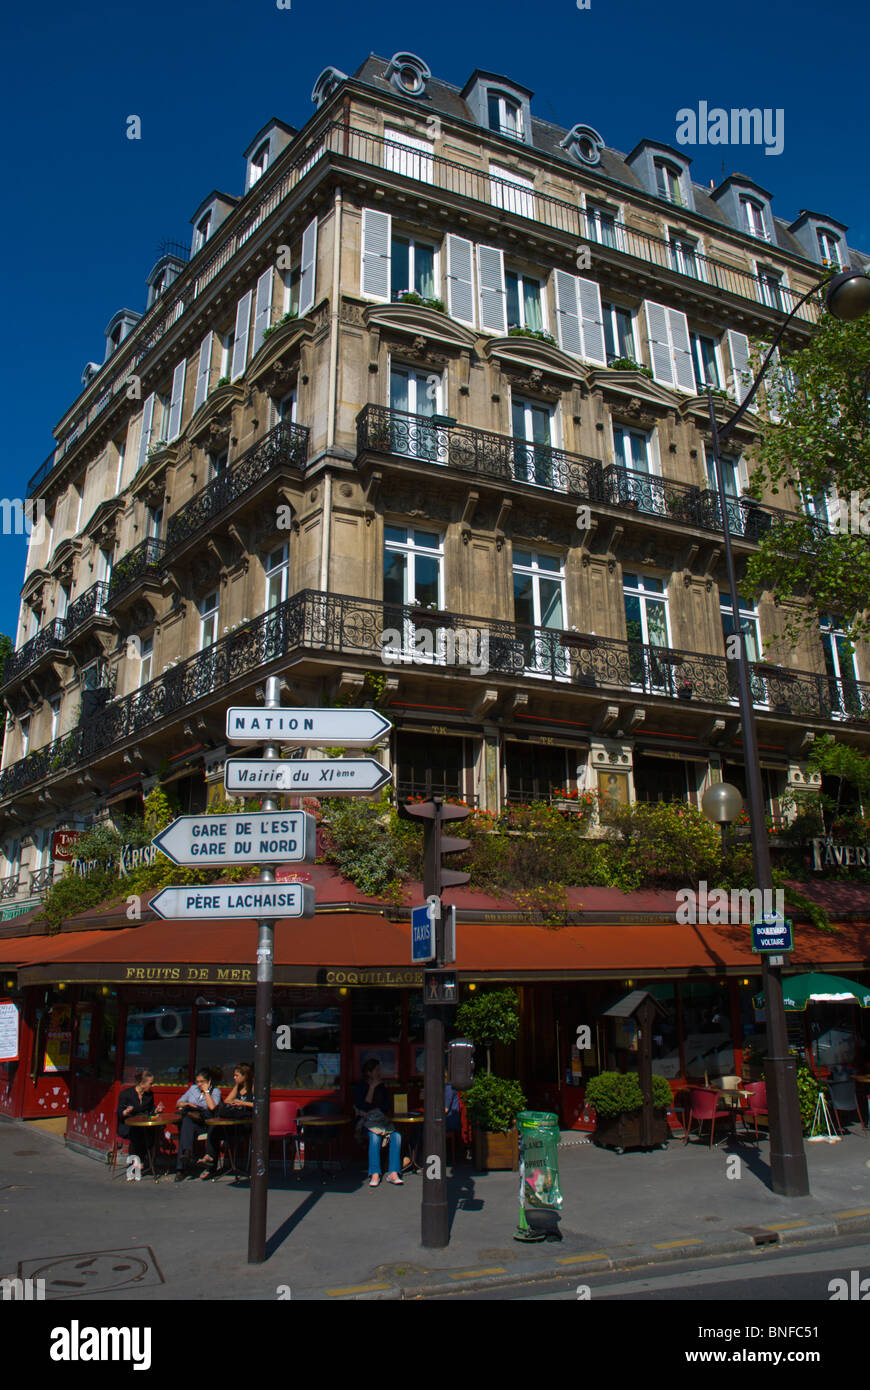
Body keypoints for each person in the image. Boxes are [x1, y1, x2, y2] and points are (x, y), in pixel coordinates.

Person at [353, 1058, 404, 1187]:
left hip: (381, 1121)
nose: (379, 1073)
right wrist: (372, 1088)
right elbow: (362, 1106)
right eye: (377, 1070)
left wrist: (379, 1110)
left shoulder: (382, 1087)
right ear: (369, 1072)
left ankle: (393, 1172)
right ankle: (375, 1173)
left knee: (396, 1136)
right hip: (367, 1122)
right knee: (374, 1138)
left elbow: (386, 1106)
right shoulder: (360, 1087)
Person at [198, 1064, 253, 1174]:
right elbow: (227, 1100)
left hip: (245, 1123)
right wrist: (234, 1102)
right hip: (233, 1121)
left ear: (245, 1076)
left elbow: (260, 1105)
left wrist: (242, 1103)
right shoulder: (237, 1087)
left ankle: (211, 1165)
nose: (234, 1078)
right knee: (214, 1129)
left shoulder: (253, 1087)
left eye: (237, 1075)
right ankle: (209, 1157)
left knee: (217, 1124)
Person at [174, 1068, 221, 1181]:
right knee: (186, 1122)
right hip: (193, 1120)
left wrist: (206, 1092)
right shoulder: (193, 1089)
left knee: (188, 1126)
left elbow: (212, 1107)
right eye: (198, 1082)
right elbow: (178, 1103)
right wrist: (189, 1103)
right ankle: (185, 1159)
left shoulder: (215, 1091)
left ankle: (189, 1160)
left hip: (207, 1122)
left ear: (208, 1081)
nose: (199, 1084)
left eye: (202, 1082)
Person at [117, 1069, 164, 1180]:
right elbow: (120, 1113)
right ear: (142, 1084)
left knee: (152, 1130)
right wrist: (126, 1112)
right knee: (136, 1132)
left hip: (144, 1125)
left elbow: (151, 1110)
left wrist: (157, 1110)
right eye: (150, 1083)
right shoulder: (126, 1094)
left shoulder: (149, 1095)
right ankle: (138, 1162)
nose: (152, 1086)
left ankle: (144, 1161)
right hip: (128, 1124)